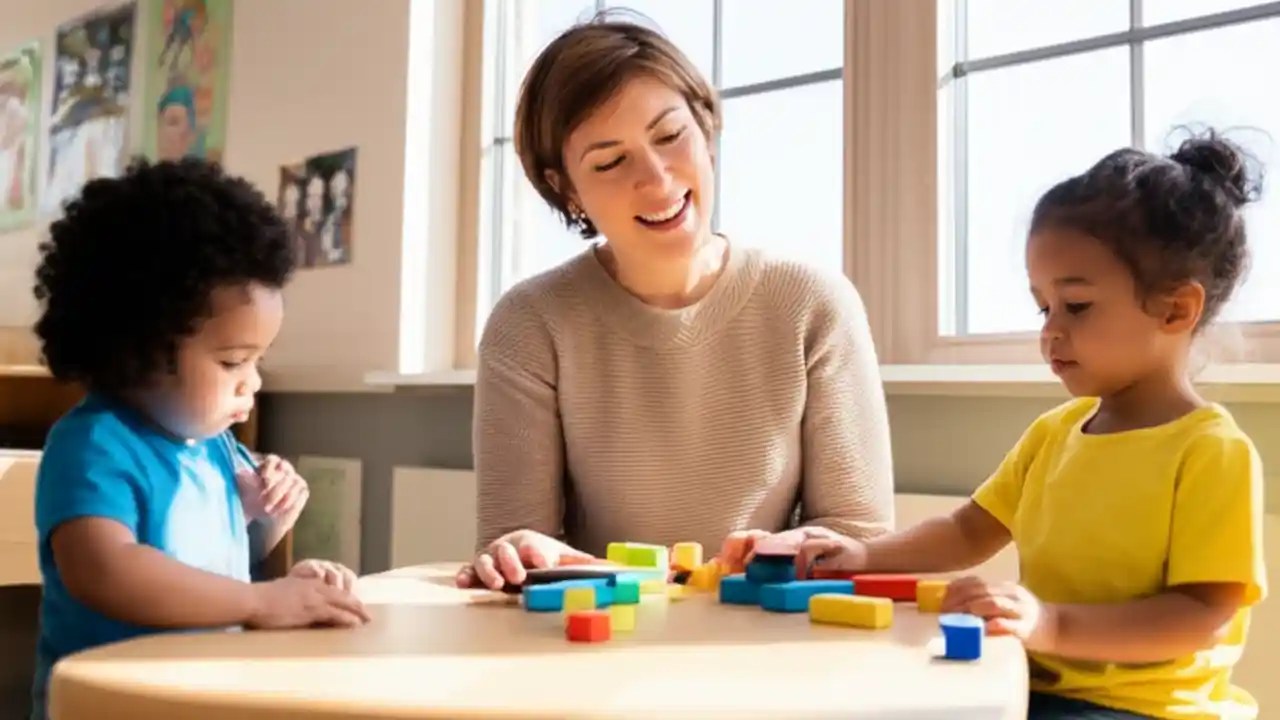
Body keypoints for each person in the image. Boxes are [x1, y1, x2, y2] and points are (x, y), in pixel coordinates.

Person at [792, 132, 1268, 720]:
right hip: (1035, 689)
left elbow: (1204, 615)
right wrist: (864, 556)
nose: (1050, 331)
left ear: (1176, 309)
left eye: (1077, 306)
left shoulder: (1210, 451)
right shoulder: (1054, 433)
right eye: (1044, 307)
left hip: (1147, 710)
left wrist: (1051, 624)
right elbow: (967, 531)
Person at [457, 14, 895, 591]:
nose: (657, 179)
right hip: (597, 626)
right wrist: (517, 554)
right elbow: (514, 545)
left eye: (669, 136)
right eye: (610, 162)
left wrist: (792, 552)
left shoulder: (814, 305)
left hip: (766, 623)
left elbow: (860, 536)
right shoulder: (529, 324)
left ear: (706, 129)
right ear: (566, 189)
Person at [28, 158, 369, 719]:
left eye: (258, 361)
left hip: (202, 692)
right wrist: (260, 601)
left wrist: (266, 521)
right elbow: (105, 571)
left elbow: (211, 566)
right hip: (113, 704)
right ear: (138, 349)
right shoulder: (92, 446)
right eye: (233, 361)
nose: (253, 382)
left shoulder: (215, 446)